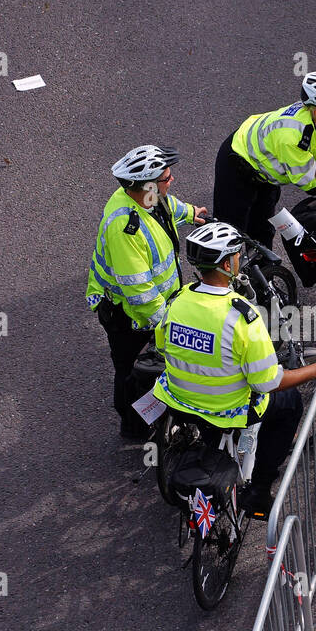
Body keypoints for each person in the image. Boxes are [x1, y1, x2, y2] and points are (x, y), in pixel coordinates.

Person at [153, 221, 316, 516]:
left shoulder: (178, 300)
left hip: (179, 402)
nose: (239, 258)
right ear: (227, 263)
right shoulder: (242, 317)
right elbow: (269, 381)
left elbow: (163, 347)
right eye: (237, 254)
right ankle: (261, 489)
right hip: (226, 409)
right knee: (290, 404)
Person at [87, 145, 207, 439]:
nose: (172, 181)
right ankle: (133, 425)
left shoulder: (147, 197)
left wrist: (192, 214)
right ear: (148, 186)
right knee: (130, 370)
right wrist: (165, 324)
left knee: (150, 364)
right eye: (167, 178)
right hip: (126, 314)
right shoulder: (124, 229)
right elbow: (139, 291)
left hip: (153, 304)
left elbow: (168, 207)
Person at [213, 71, 316, 247]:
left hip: (264, 169)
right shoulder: (291, 137)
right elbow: (309, 182)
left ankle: (265, 273)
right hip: (236, 164)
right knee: (230, 233)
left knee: (263, 231)